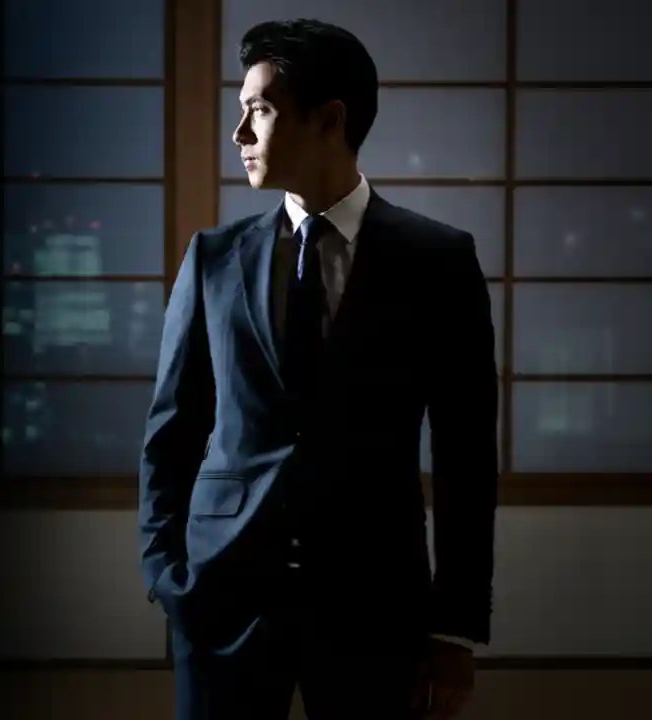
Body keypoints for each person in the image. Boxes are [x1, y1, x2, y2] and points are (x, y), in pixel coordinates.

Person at [138, 18, 498, 720]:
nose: (239, 133)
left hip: (375, 601)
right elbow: (171, 433)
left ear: (330, 119)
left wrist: (454, 630)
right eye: (240, 111)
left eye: (260, 110)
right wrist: (166, 575)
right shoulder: (214, 258)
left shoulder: (437, 261)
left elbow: (466, 456)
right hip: (222, 597)